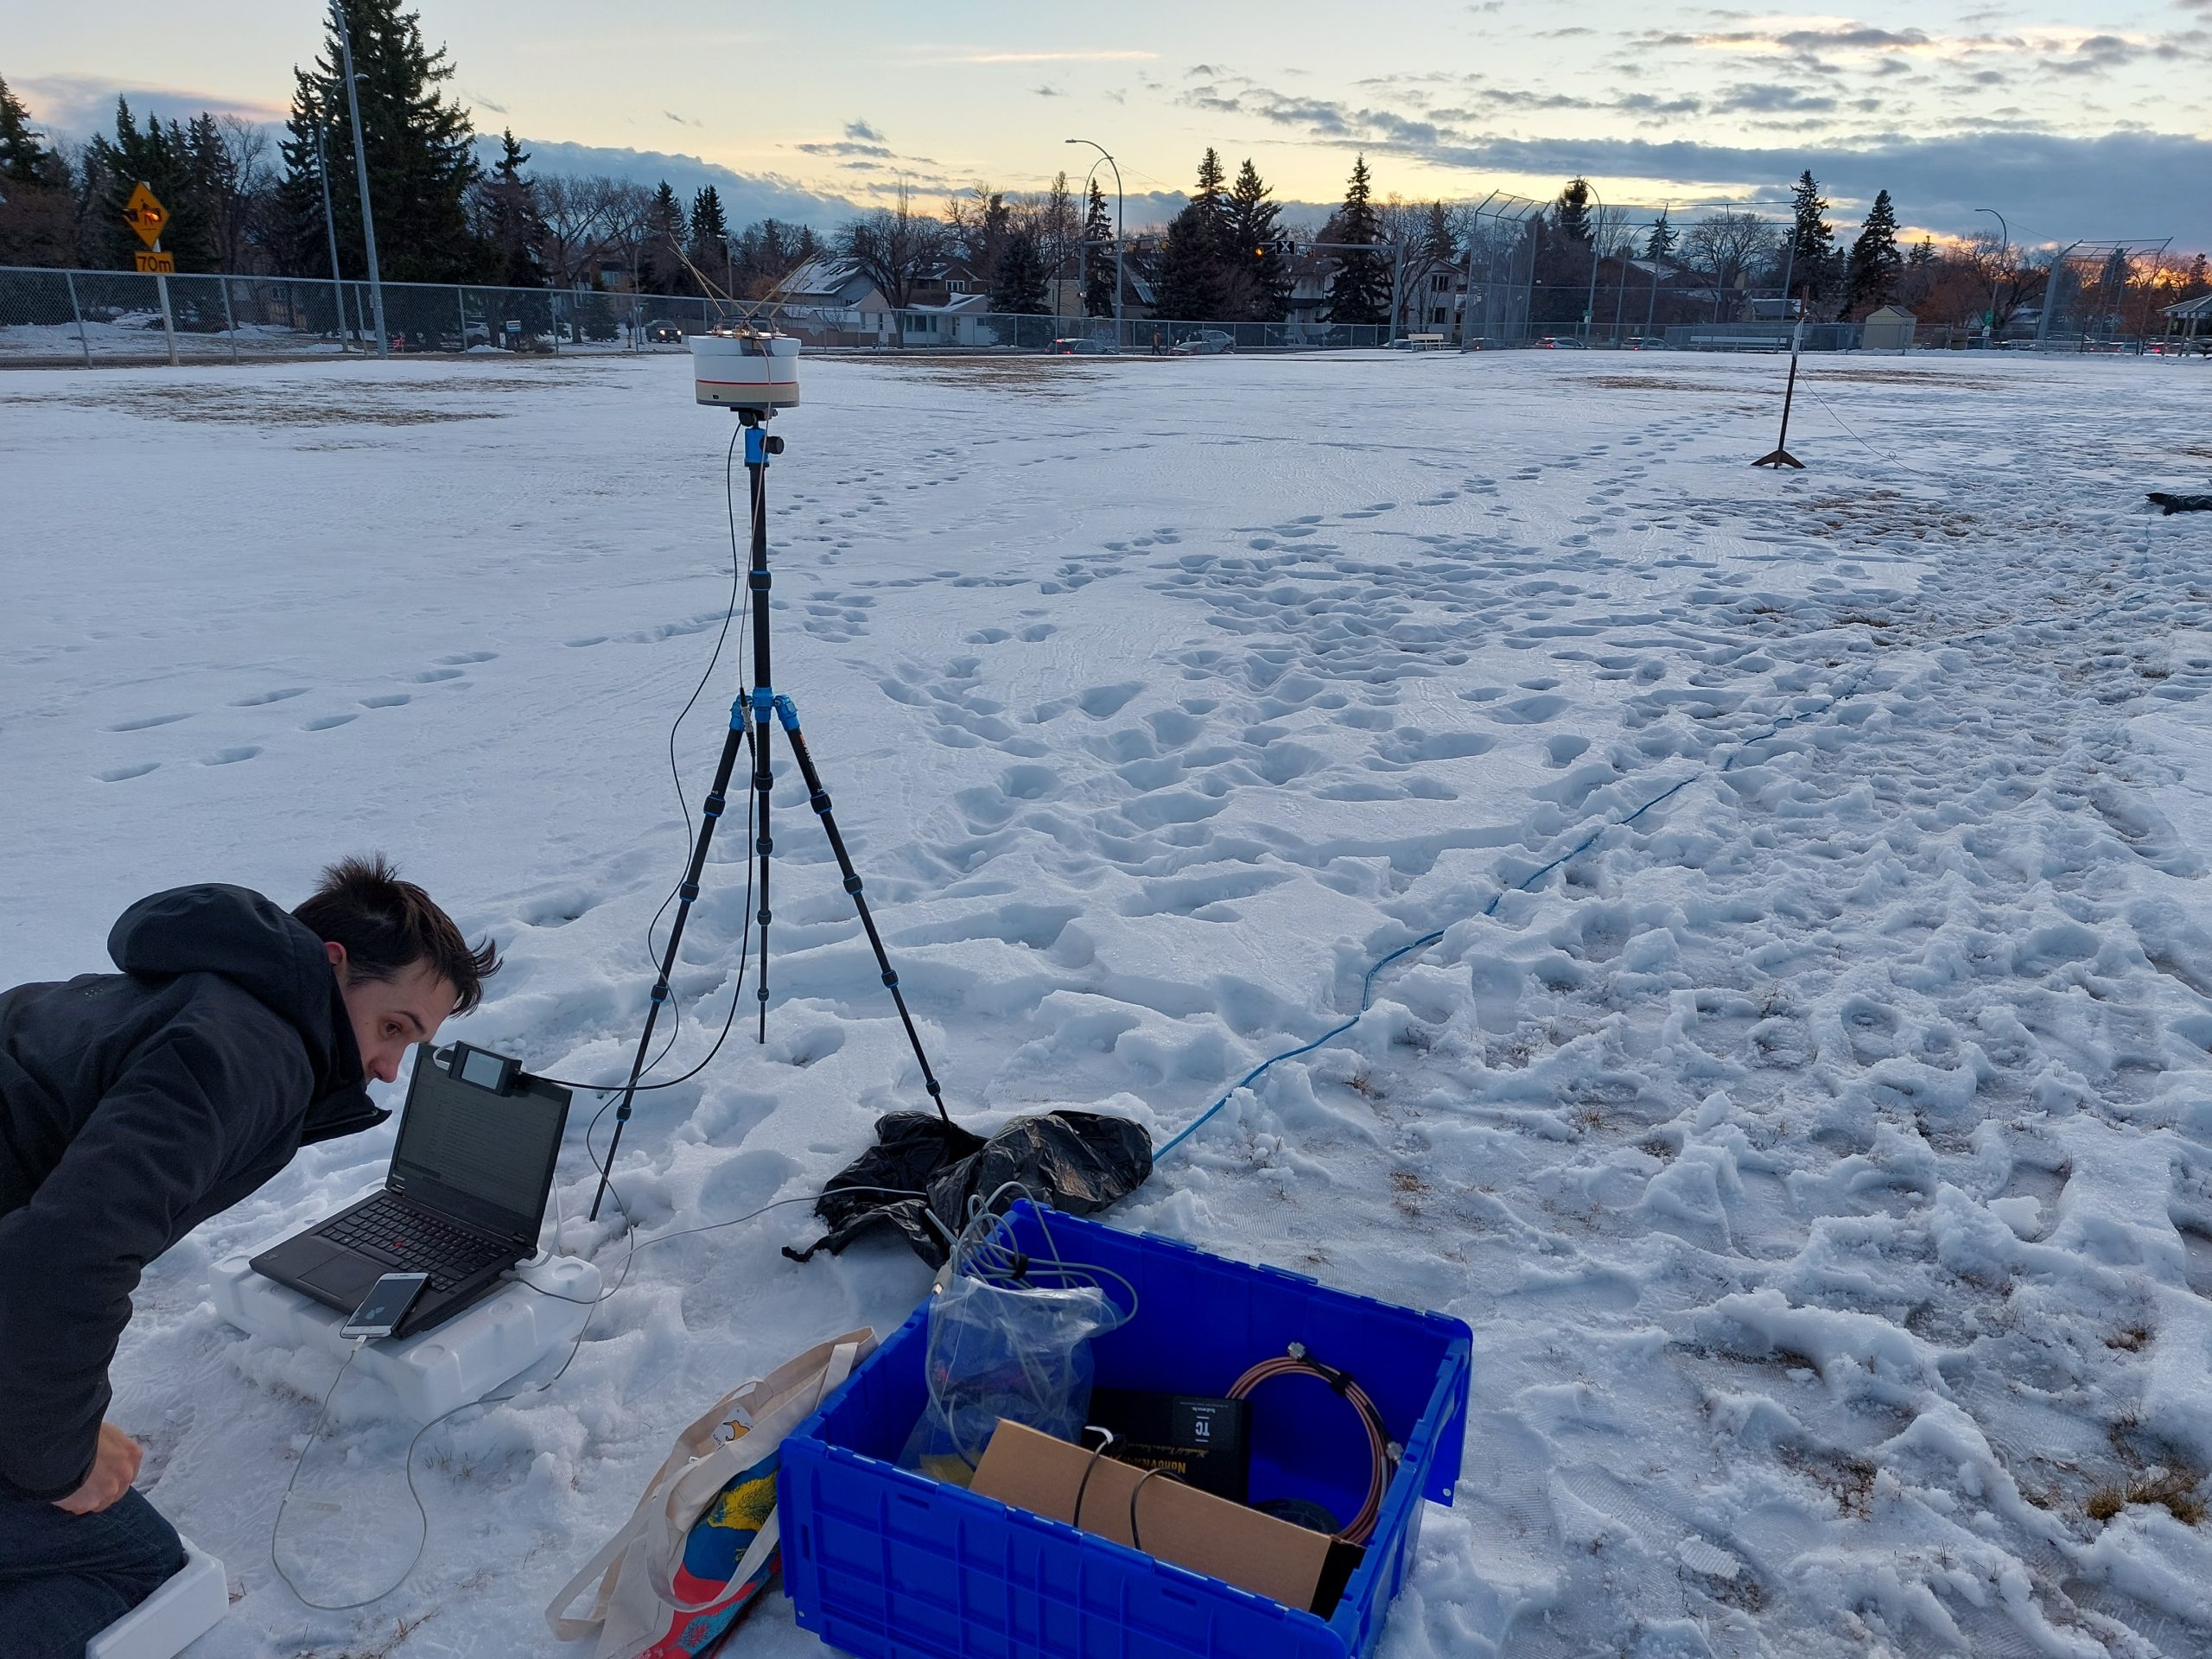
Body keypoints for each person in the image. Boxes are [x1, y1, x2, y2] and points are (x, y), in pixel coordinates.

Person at [0, 856, 498, 1656]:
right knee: (135, 1580)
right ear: (332, 963)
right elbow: (61, 1260)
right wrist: (60, 1454)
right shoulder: (248, 1051)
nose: (388, 1068)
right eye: (393, 1027)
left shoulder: (195, 990)